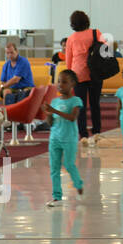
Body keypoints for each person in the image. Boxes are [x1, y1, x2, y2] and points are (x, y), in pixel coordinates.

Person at [41, 69, 85, 208]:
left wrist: (54, 111)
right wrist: (47, 113)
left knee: (69, 164)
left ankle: (78, 183)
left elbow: (72, 117)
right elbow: (51, 122)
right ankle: (56, 196)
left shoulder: (76, 100)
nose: (60, 84)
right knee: (54, 168)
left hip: (69, 138)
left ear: (72, 84)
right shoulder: (54, 101)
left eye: (64, 82)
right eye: (59, 81)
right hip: (55, 138)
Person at [64, 10, 105, 146]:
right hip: (95, 73)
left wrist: (70, 77)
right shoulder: (96, 33)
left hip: (78, 74)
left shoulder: (71, 39)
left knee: (80, 106)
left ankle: (83, 135)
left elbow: (68, 60)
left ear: (73, 24)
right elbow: (106, 49)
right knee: (95, 104)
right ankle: (97, 131)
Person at [0, 39, 33, 106]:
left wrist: (2, 87)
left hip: (26, 87)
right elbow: (3, 81)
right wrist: (3, 87)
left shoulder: (23, 61)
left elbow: (16, 79)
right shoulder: (6, 65)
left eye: (12, 52)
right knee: (6, 91)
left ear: (16, 51)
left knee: (23, 92)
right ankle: (7, 112)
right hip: (12, 88)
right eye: (7, 53)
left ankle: (19, 112)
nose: (10, 55)